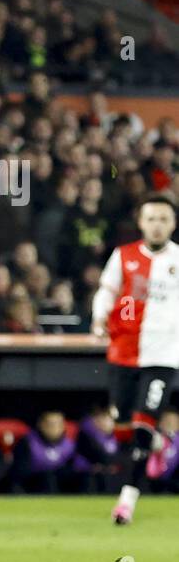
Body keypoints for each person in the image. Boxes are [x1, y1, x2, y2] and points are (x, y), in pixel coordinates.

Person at [91, 197, 178, 523]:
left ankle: (126, 501)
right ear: (141, 222)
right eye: (152, 218)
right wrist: (99, 317)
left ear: (172, 224)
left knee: (142, 425)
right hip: (123, 352)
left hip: (163, 355)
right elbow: (107, 291)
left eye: (164, 218)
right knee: (123, 427)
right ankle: (157, 442)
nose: (157, 224)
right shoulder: (124, 256)